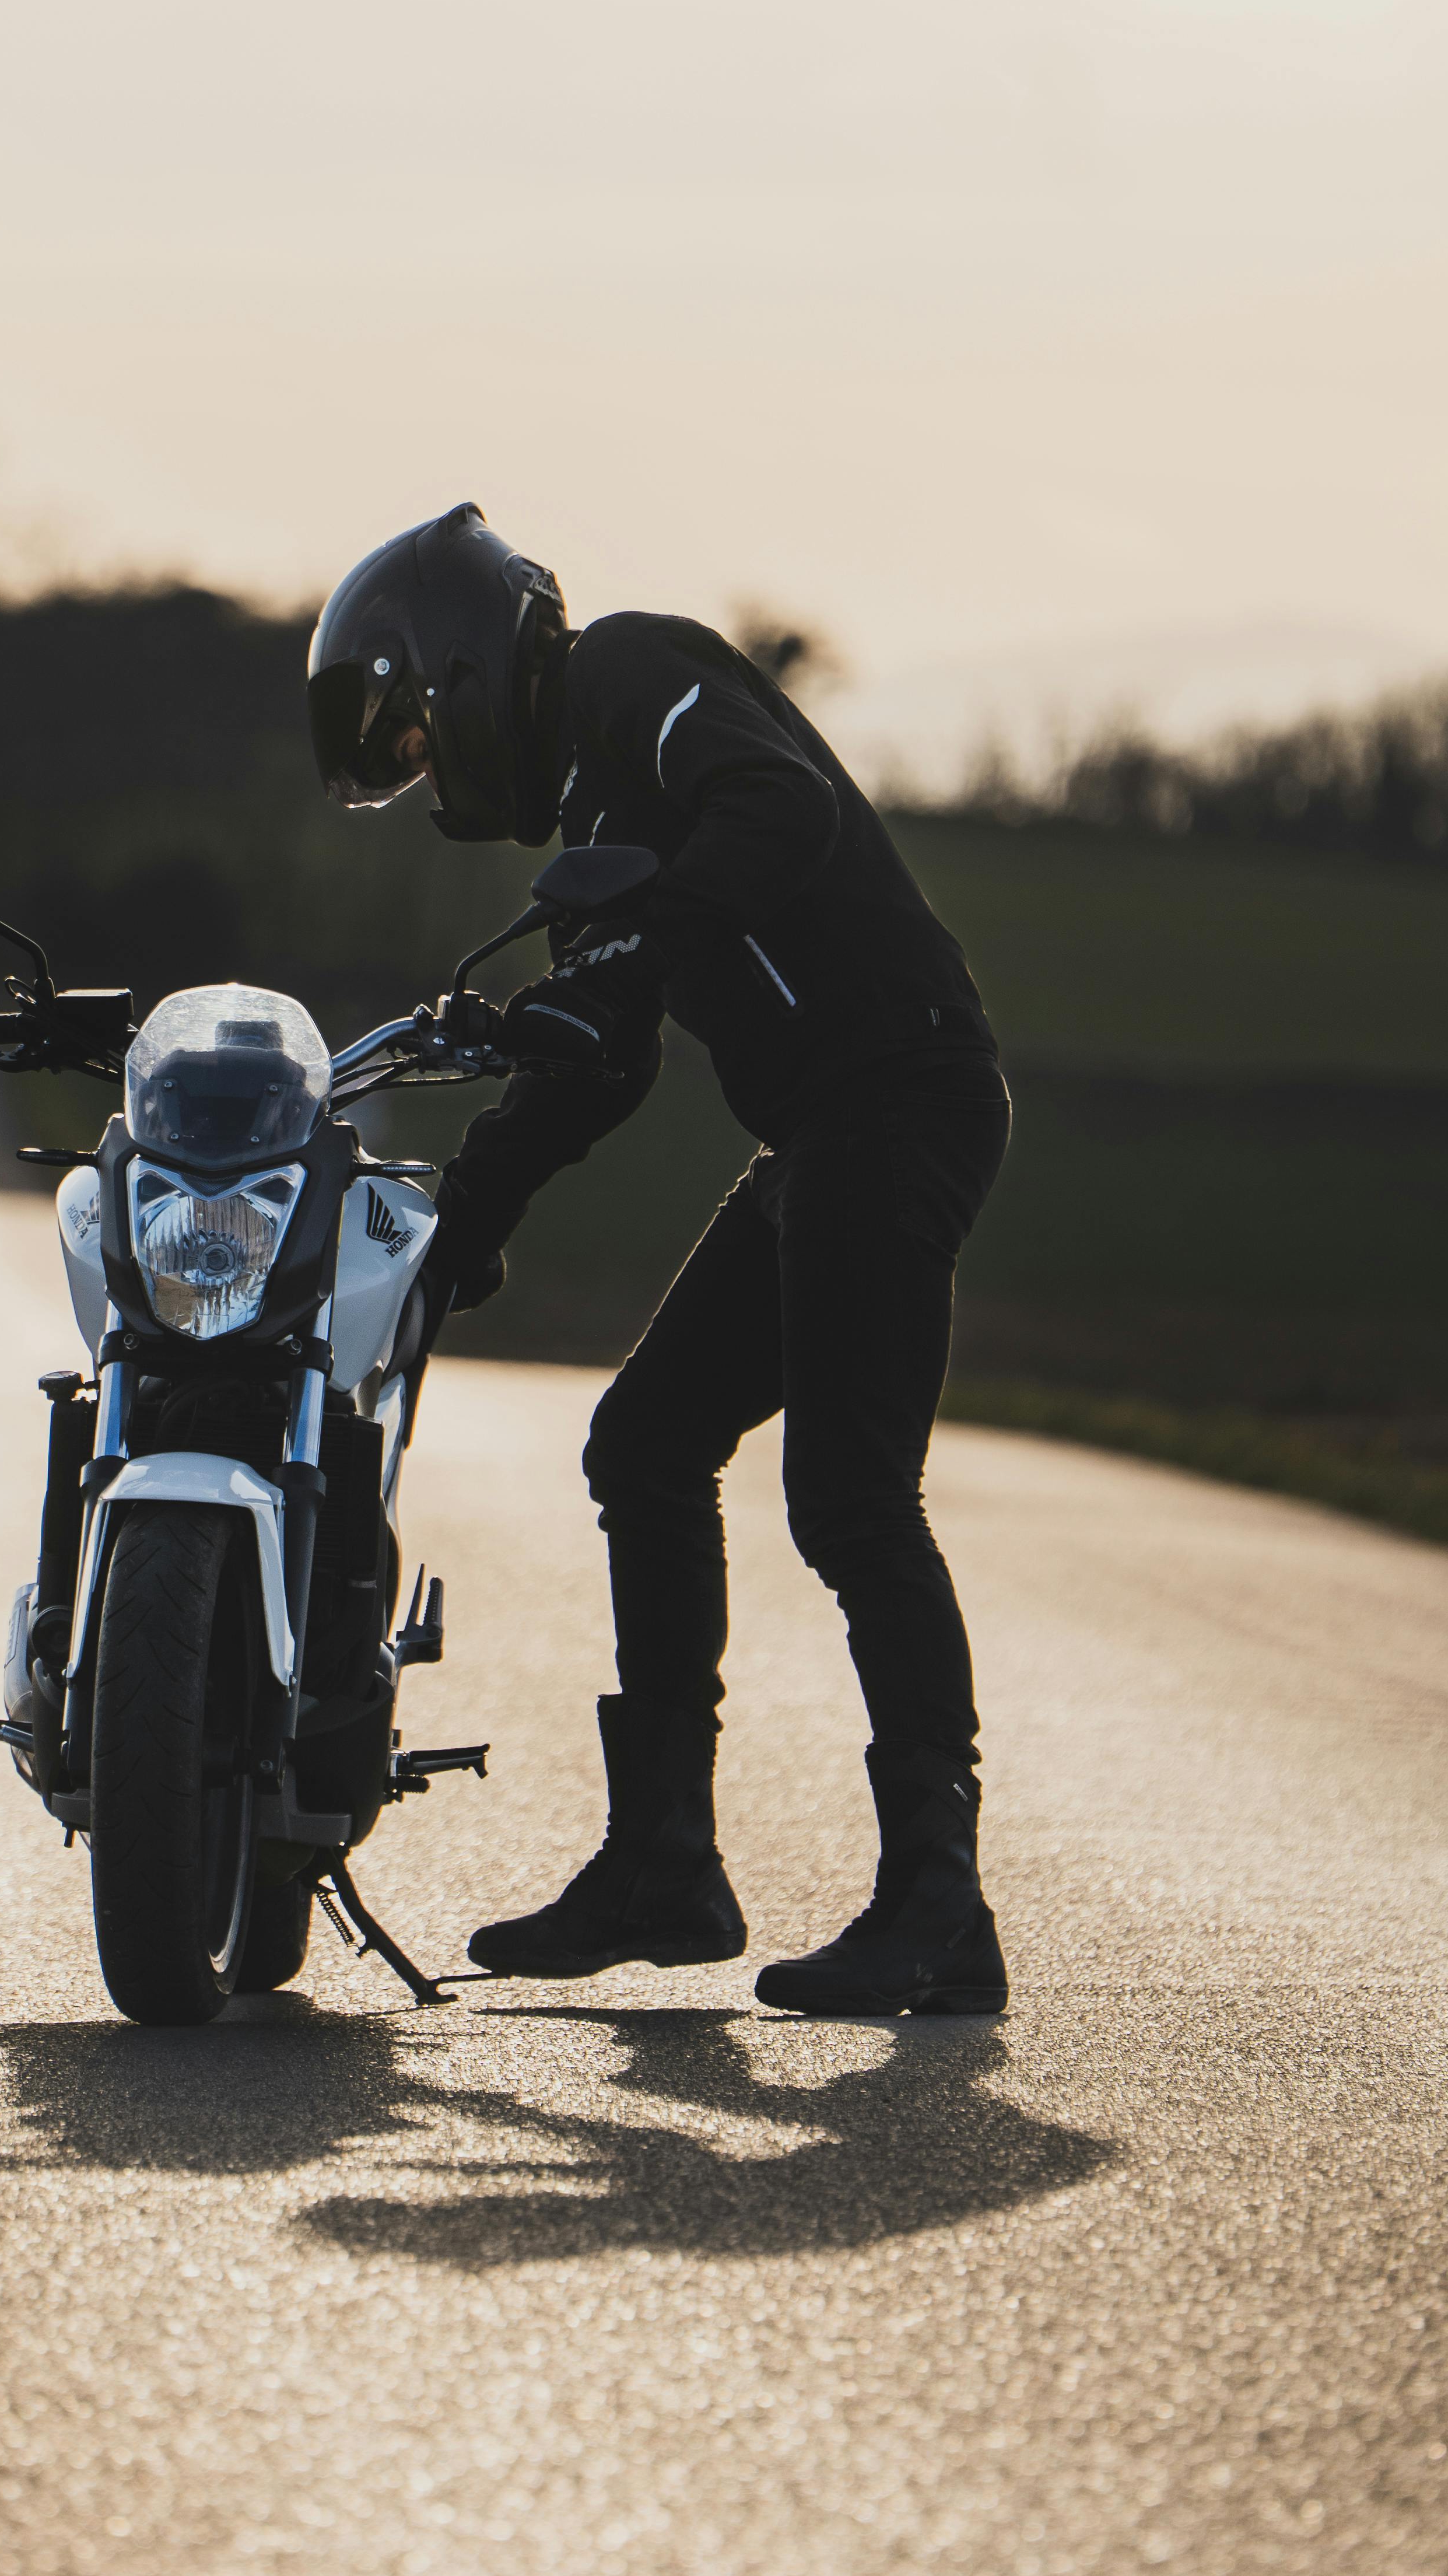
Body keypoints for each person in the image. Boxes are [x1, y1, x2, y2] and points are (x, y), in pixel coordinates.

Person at [306, 502, 1014, 2016]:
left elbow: (780, 807)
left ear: (465, 673)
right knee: (647, 1443)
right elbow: (598, 1062)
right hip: (825, 1126)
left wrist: (646, 930)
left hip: (899, 1096)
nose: (432, 768)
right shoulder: (596, 831)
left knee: (850, 1495)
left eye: (426, 732)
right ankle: (667, 1865)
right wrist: (466, 1226)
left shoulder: (637, 675)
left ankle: (941, 1908)